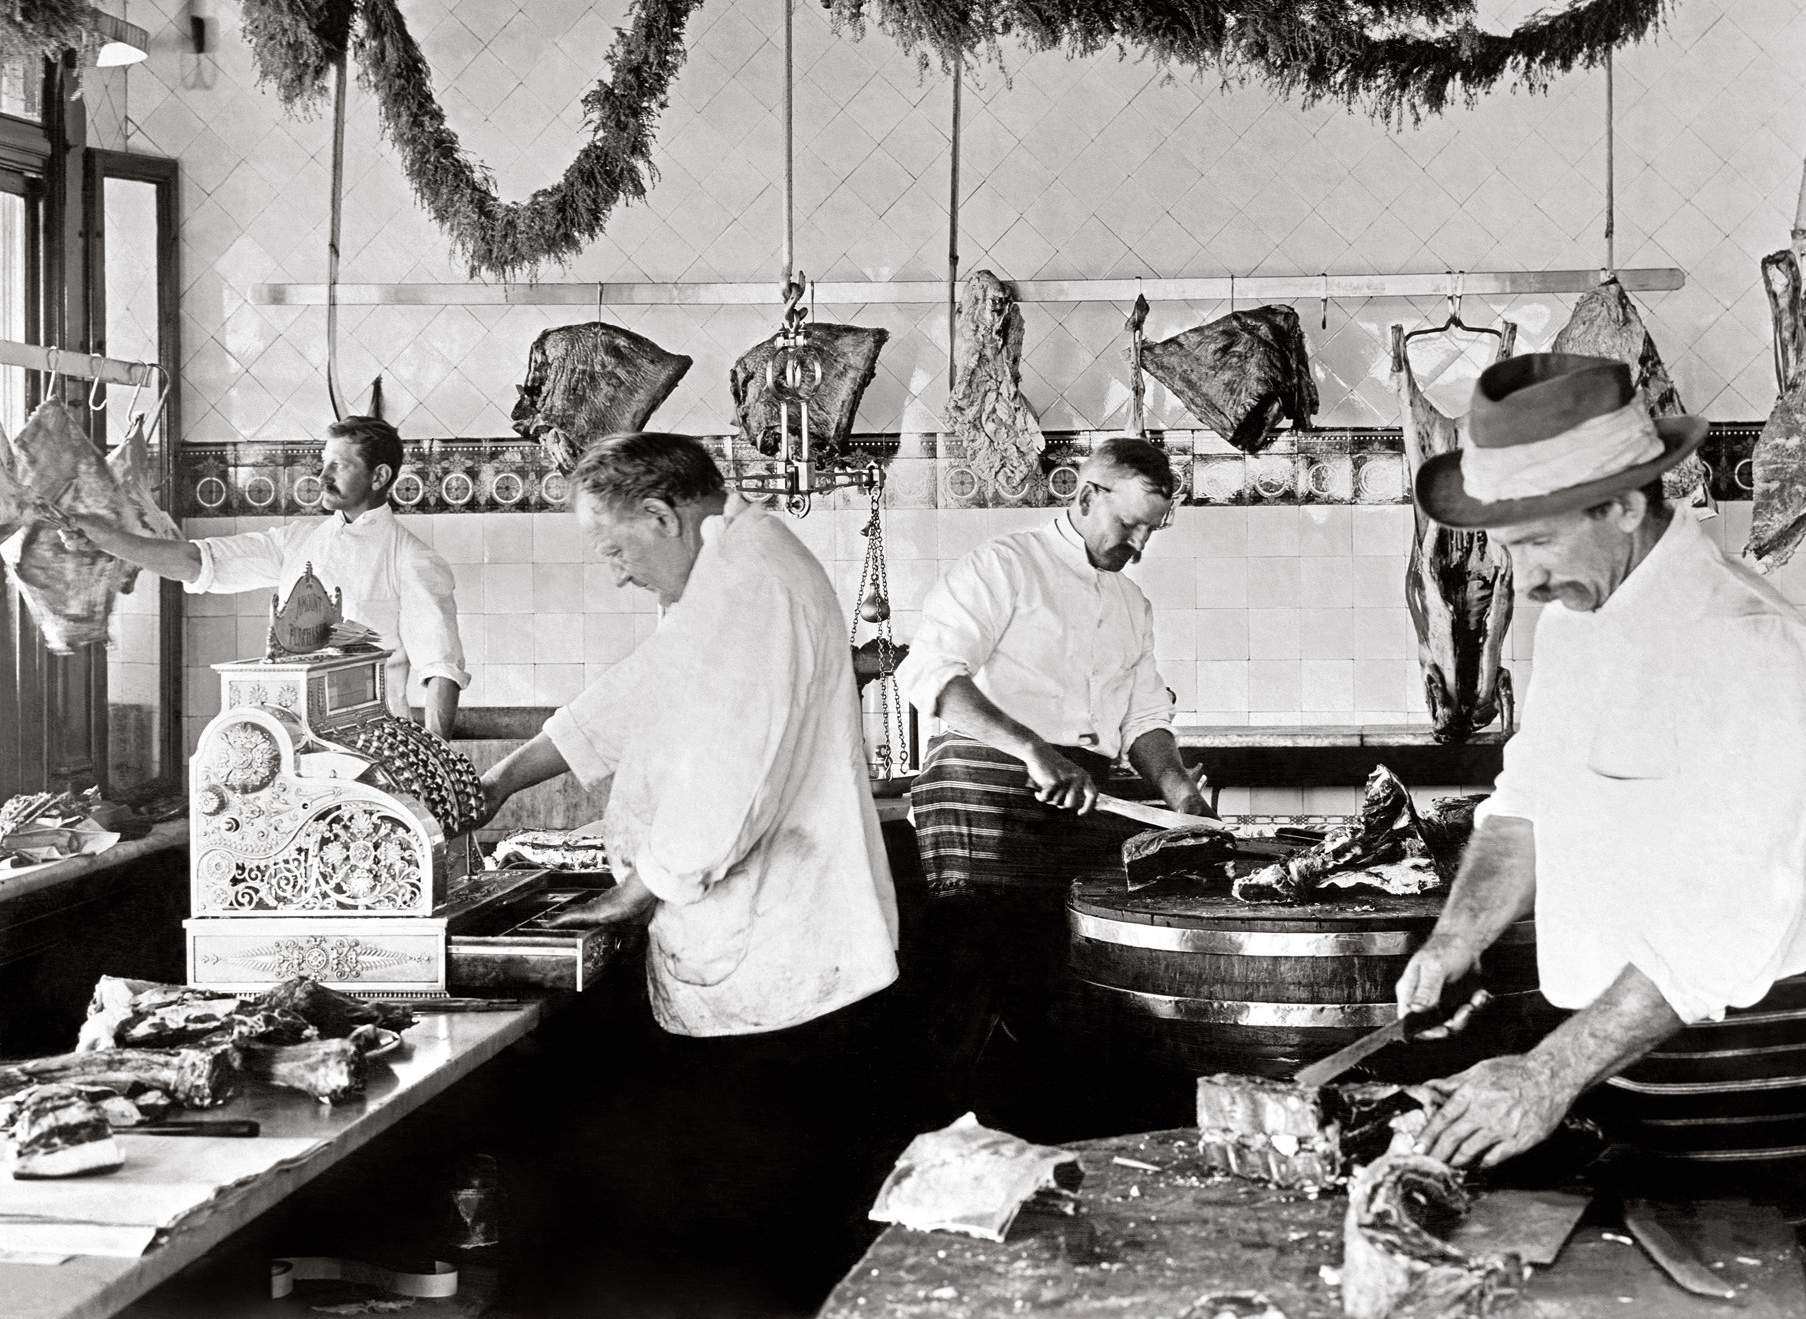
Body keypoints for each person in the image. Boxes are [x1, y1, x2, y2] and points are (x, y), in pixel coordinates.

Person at [1396, 352, 1806, 1291]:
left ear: (1621, 506)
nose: (1519, 580)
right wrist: (1455, 940)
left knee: (1745, 1289)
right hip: (1627, 1025)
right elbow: (1524, 803)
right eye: (1505, 547)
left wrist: (1544, 1076)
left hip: (1758, 1032)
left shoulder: (1746, 644)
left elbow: (1723, 918)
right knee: (1635, 1286)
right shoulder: (1581, 620)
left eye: (1533, 542)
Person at [474, 433, 903, 1295]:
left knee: (764, 1233)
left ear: (664, 515)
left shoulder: (751, 584)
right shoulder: (731, 570)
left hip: (780, 960)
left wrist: (634, 895)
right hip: (766, 951)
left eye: (615, 548)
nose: (617, 572)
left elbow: (728, 782)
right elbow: (646, 687)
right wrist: (504, 778)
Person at [898, 436, 1211, 1132]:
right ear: (1084, 496)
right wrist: (1030, 748)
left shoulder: (1130, 603)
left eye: (1150, 530)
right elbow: (930, 675)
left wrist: (1180, 795)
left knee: (1064, 980)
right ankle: (937, 1154)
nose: (1137, 544)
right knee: (972, 985)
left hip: (1078, 797)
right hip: (982, 795)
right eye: (1127, 524)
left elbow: (1143, 717)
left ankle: (1053, 1138)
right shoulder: (1004, 566)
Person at [77, 415, 467, 737]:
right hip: (290, 739)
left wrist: (433, 758)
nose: (322, 475)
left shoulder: (411, 558)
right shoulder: (297, 541)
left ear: (379, 476)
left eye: (339, 465)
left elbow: (440, 669)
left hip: (373, 742)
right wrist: (103, 538)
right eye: (324, 463)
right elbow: (197, 563)